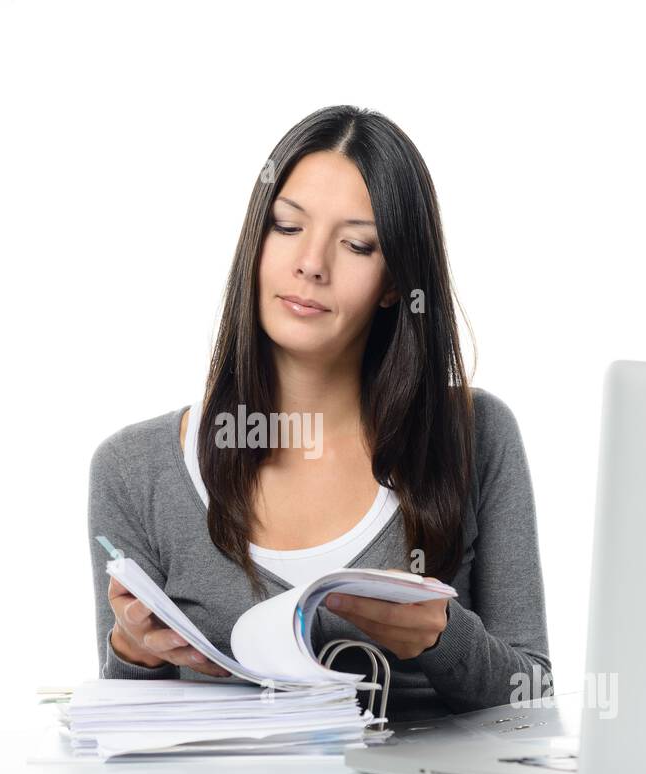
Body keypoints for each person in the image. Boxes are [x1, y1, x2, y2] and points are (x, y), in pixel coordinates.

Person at [88, 105, 551, 722]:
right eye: (286, 227)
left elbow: (534, 693)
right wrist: (133, 651)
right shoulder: (133, 470)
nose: (312, 264)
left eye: (357, 244)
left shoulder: (477, 435)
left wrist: (444, 639)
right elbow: (120, 719)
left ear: (395, 282)